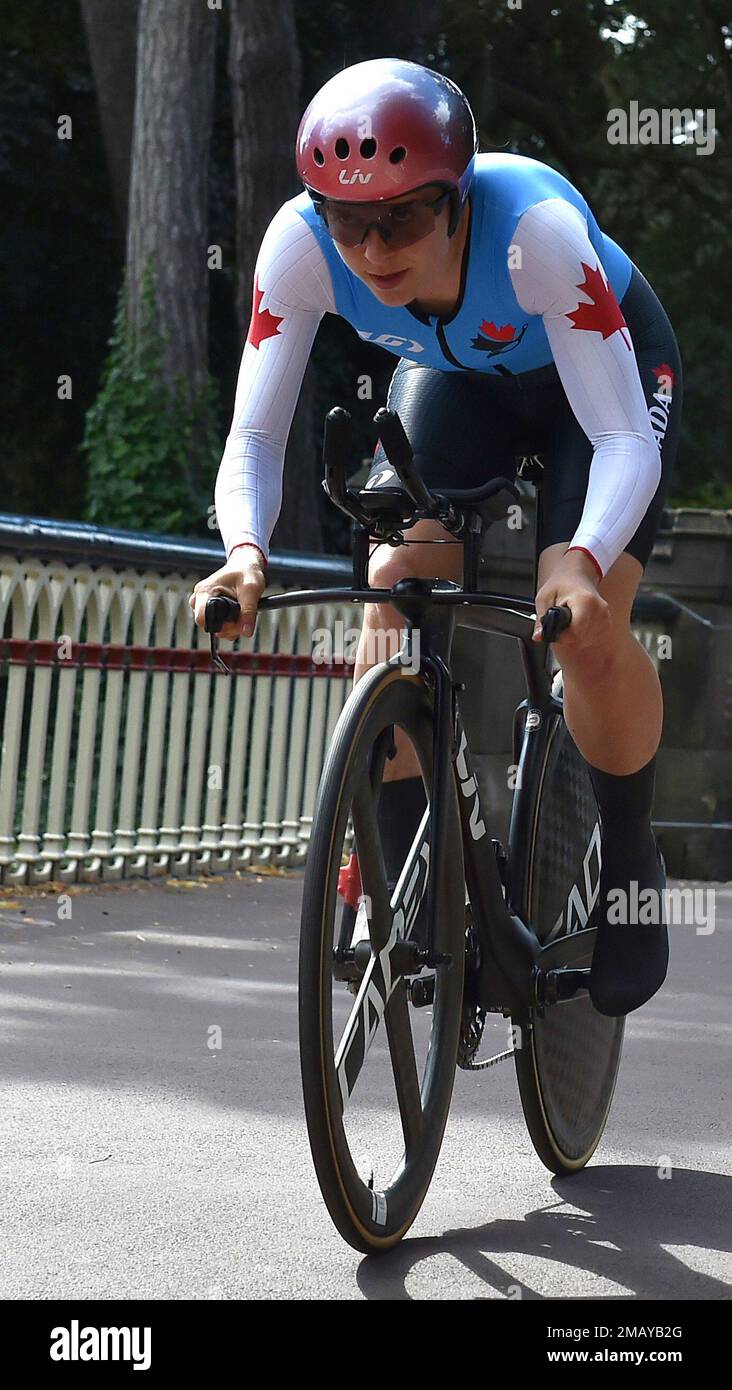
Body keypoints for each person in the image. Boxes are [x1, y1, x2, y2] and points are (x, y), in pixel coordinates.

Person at [189, 57, 683, 1017]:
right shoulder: (298, 246)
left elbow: (624, 435)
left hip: (599, 392)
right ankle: (418, 844)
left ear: (457, 202)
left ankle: (629, 855)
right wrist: (243, 552)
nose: (372, 248)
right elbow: (255, 433)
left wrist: (579, 563)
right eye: (347, 219)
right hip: (460, 380)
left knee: (579, 619)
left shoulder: (533, 235)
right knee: (399, 570)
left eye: (405, 217)